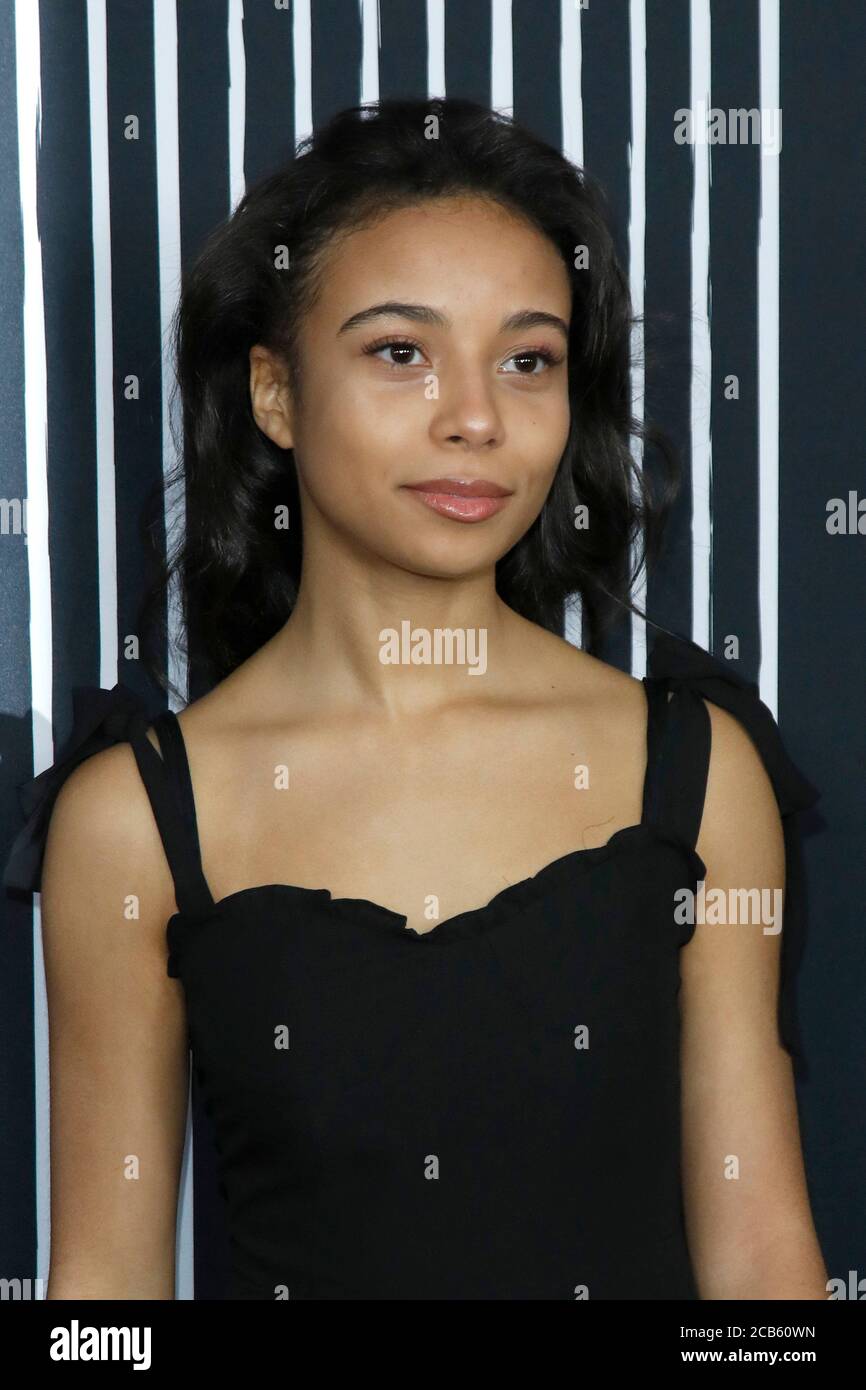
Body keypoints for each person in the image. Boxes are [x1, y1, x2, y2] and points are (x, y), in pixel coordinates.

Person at [4, 97, 827, 1300]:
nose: (475, 418)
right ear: (275, 393)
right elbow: (101, 1294)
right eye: (401, 351)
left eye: (526, 359)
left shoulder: (691, 771)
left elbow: (762, 1271)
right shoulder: (133, 817)